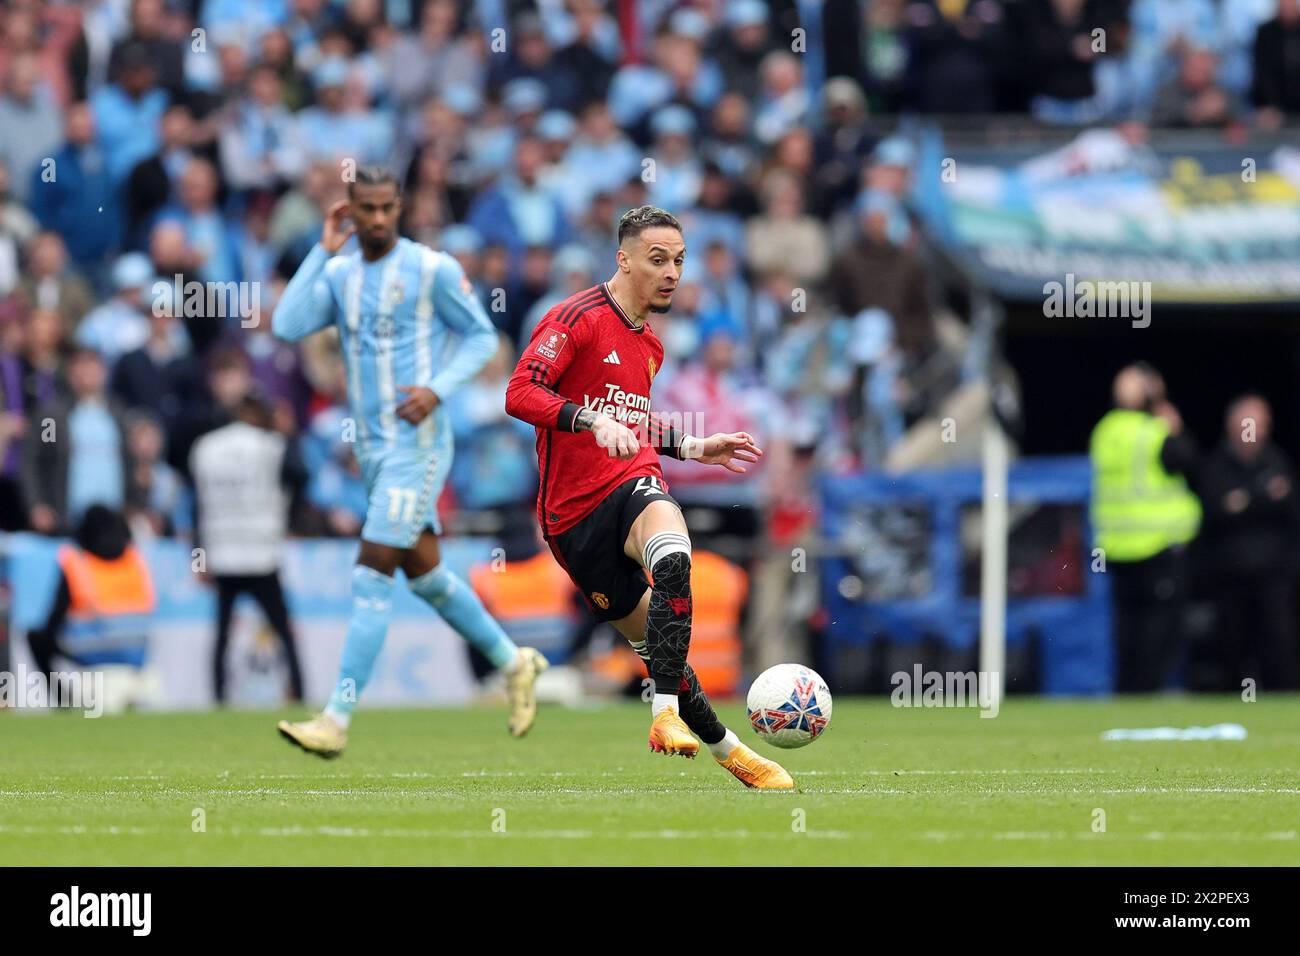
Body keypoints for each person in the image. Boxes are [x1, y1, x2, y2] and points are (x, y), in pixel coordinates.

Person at [504, 204, 794, 790]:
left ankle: (662, 714)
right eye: (658, 259)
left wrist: (693, 445)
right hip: (573, 522)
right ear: (624, 258)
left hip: (631, 483)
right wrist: (587, 421)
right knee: (663, 649)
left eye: (679, 261)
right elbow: (519, 393)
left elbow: (633, 423)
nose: (671, 273)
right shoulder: (576, 318)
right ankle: (730, 749)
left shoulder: (651, 345)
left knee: (673, 559)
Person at [272, 166, 547, 757]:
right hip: (372, 450)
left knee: (372, 571)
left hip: (418, 445)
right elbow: (287, 323)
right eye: (363, 208)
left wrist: (437, 389)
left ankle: (336, 718)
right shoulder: (341, 273)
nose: (375, 219)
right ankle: (514, 661)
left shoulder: (431, 269)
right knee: (426, 577)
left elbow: (480, 337)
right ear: (349, 208)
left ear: (399, 207)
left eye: (384, 208)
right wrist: (321, 252)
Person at [1090, 363, 1201, 692]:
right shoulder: (1152, 431)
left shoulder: (1104, 430)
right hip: (1157, 543)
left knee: (1127, 626)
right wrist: (1174, 427)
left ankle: (1126, 691)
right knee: (1160, 627)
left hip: (1117, 545)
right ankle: (1148, 690)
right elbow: (1188, 461)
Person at [191, 392, 306, 704]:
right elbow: (301, 475)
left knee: (223, 634)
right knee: (284, 630)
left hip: (222, 552)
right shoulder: (270, 446)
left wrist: (198, 560)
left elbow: (197, 507)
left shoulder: (205, 448)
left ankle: (218, 696)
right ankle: (299, 691)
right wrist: (290, 518)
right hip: (261, 551)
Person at [1195, 395, 1300, 690]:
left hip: (1273, 570)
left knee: (1280, 641)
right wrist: (1262, 497)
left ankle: (1286, 699)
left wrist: (1244, 501)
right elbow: (1217, 511)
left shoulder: (1276, 460)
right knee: (1232, 642)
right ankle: (1235, 698)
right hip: (1230, 570)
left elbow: (1289, 509)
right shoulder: (1217, 464)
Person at [27, 505, 156, 702]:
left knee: (36, 638)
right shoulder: (135, 559)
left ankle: (64, 701)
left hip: (91, 649)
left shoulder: (77, 561)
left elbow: (54, 620)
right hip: (137, 651)